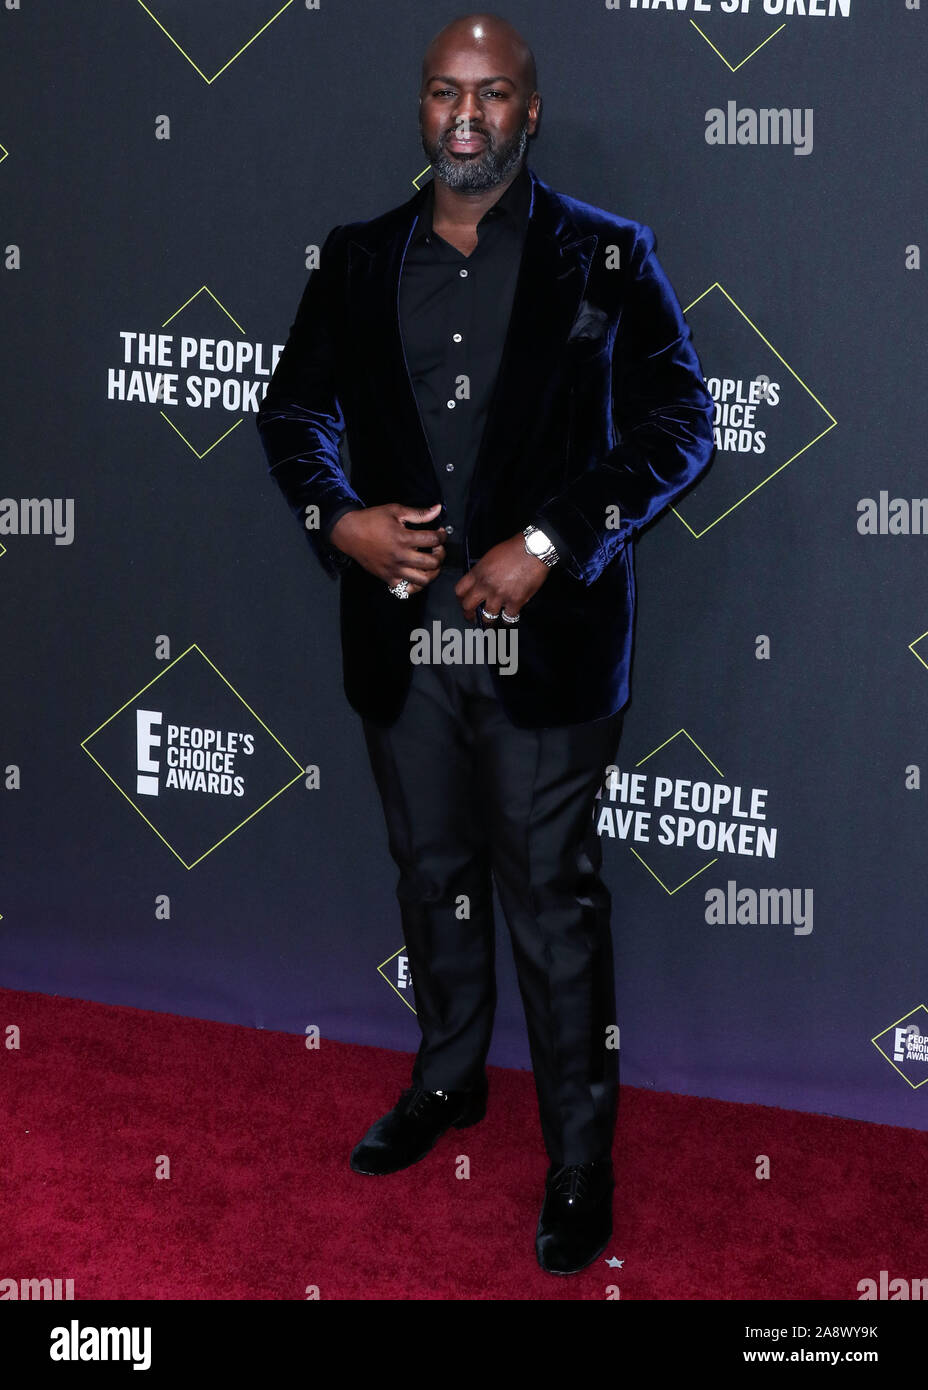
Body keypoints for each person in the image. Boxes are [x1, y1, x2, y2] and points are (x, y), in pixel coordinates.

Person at [256, 11, 715, 1275]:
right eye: (446, 92)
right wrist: (338, 521)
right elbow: (291, 411)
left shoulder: (609, 258)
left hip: (547, 641)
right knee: (431, 873)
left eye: (493, 93)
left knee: (552, 903)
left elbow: (682, 422)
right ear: (421, 109)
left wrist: (554, 540)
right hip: (405, 643)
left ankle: (579, 1160)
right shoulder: (355, 259)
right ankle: (449, 1078)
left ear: (529, 110)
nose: (467, 114)